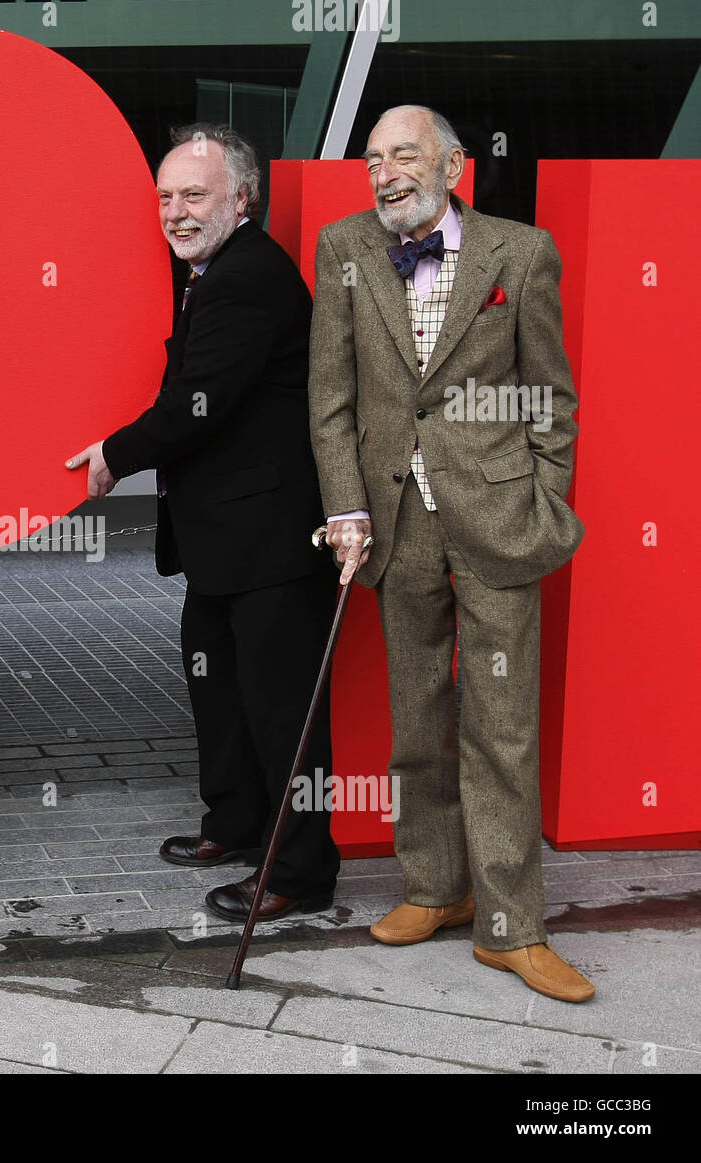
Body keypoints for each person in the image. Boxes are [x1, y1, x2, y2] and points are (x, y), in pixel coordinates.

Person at [308, 104, 593, 1002]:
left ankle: (513, 926)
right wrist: (346, 507)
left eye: (404, 155)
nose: (385, 171)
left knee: (502, 723)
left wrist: (545, 501)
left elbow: (550, 392)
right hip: (396, 519)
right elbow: (331, 397)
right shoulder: (344, 246)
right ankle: (437, 887)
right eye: (372, 159)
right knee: (417, 715)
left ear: (454, 166)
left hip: (499, 516)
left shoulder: (522, 251)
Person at [68, 124, 340, 923]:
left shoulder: (247, 276)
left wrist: (115, 455)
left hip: (273, 541)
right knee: (219, 691)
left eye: (195, 195)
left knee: (282, 709)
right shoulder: (210, 270)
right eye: (165, 197)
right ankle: (235, 823)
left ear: (241, 199)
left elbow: (199, 404)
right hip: (224, 536)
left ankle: (297, 873)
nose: (176, 212)